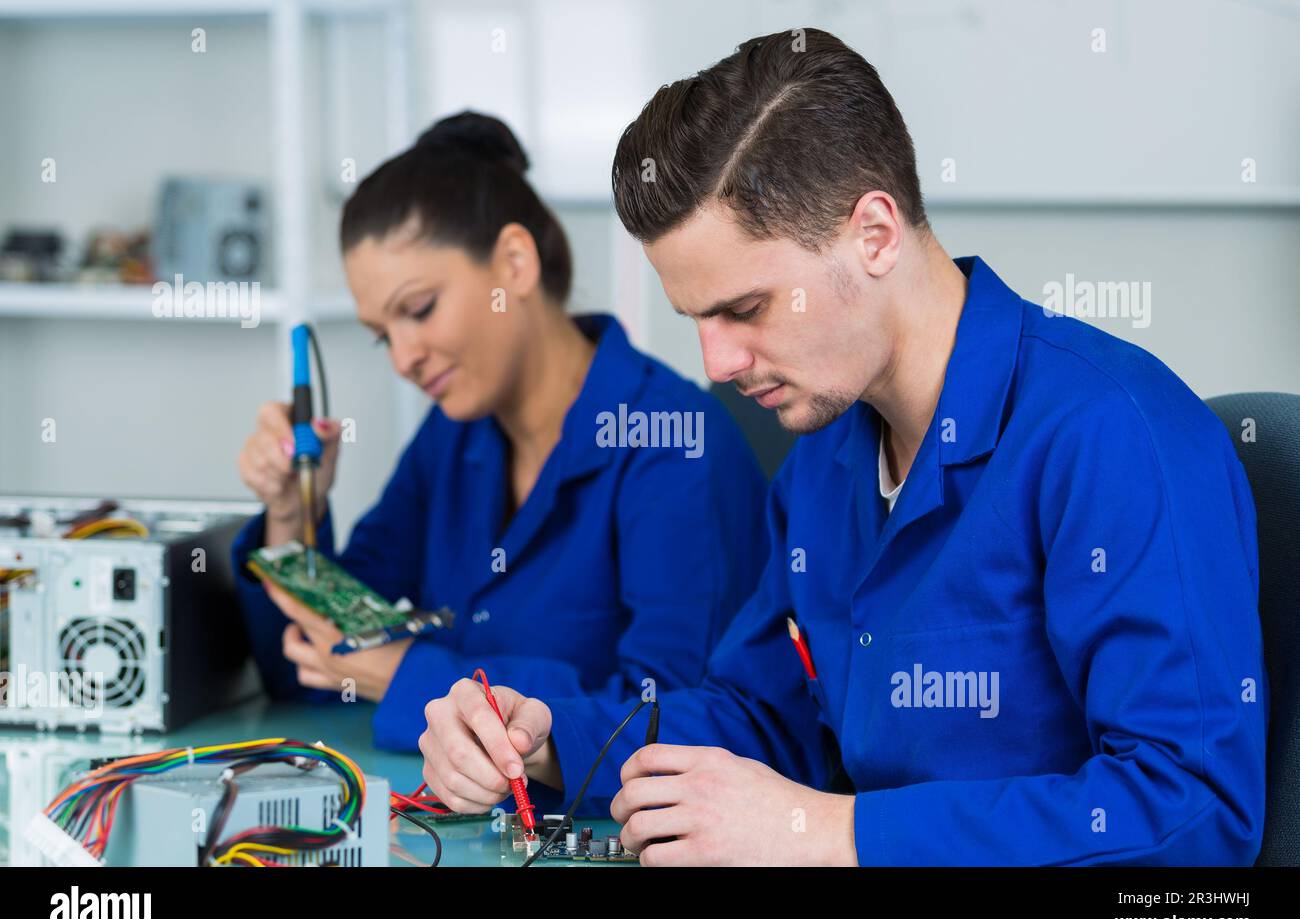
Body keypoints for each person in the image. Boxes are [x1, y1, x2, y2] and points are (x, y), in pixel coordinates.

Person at [416, 31, 1268, 865]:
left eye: (744, 310)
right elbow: (758, 716)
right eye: (697, 321)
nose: (717, 364)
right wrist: (544, 741)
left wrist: (834, 835)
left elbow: (1191, 810)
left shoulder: (1110, 436)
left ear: (875, 234)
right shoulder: (826, 454)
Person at [232, 111, 768, 752]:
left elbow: (677, 719)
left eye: (419, 310)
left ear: (515, 263)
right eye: (384, 338)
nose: (404, 358)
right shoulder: (453, 437)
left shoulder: (673, 443)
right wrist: (292, 516)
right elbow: (316, 666)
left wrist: (410, 676)